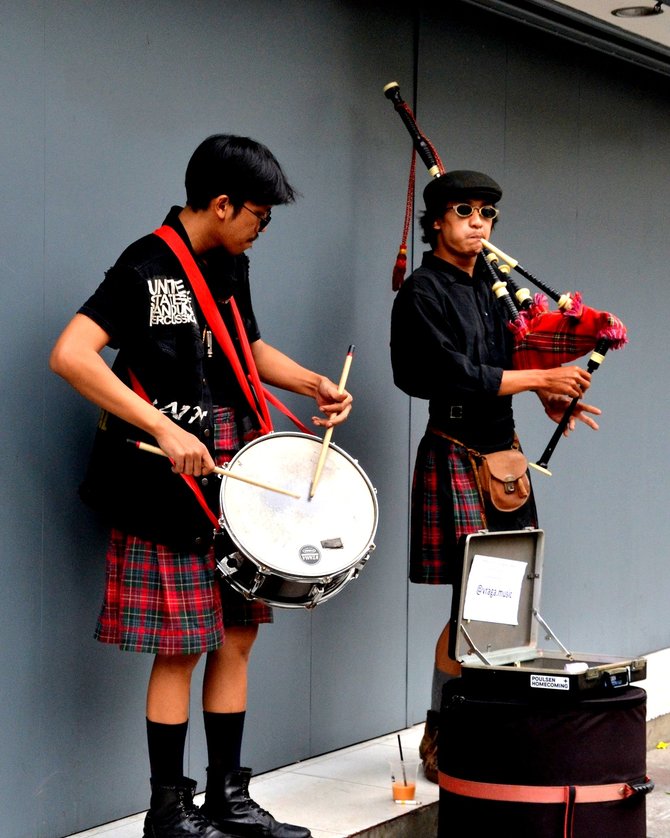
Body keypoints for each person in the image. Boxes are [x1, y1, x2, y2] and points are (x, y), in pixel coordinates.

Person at [50, 134, 352, 838]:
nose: (261, 231)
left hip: (233, 477)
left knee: (238, 636)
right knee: (181, 645)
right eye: (258, 216)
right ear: (221, 204)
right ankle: (168, 811)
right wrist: (161, 425)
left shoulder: (228, 264)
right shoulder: (146, 263)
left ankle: (229, 799)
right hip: (166, 481)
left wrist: (311, 382)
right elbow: (71, 354)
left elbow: (242, 345)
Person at [389, 170, 601, 783]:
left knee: (506, 598)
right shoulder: (422, 293)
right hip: (454, 446)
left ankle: (488, 722)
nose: (478, 222)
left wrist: (549, 399)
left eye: (487, 213)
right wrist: (539, 381)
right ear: (435, 221)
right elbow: (443, 371)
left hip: (503, 453)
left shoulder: (493, 283)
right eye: (464, 210)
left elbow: (519, 351)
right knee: (468, 605)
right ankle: (441, 734)